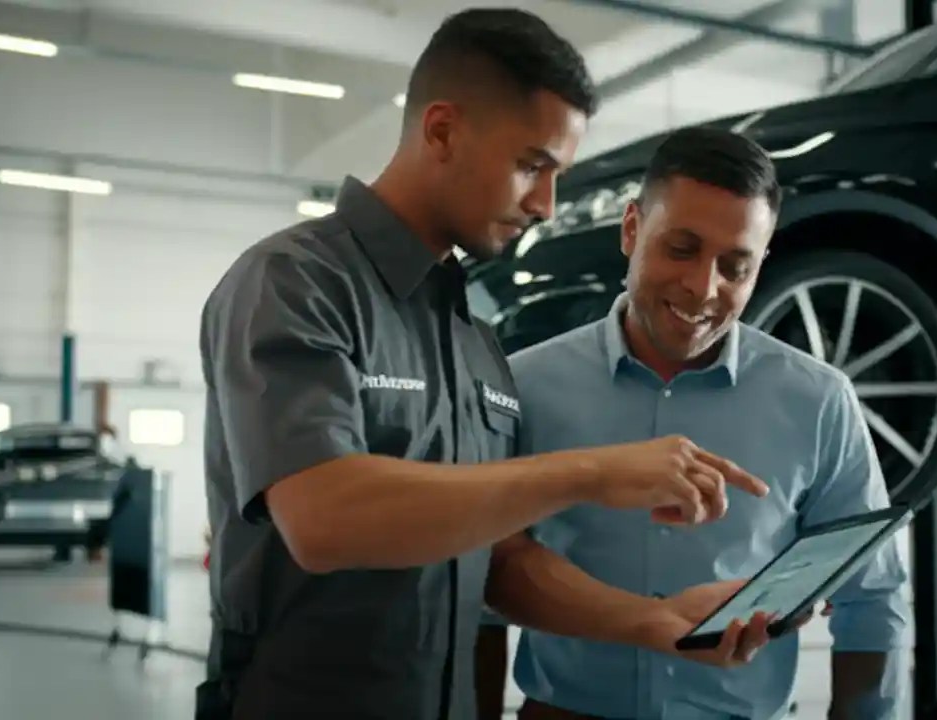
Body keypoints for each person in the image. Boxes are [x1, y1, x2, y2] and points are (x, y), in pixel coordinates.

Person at [196, 9, 775, 720]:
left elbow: (499, 560)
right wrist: (593, 472)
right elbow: (324, 517)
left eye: (556, 174)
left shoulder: (477, 340)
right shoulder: (294, 283)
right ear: (441, 130)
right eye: (532, 165)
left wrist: (654, 622)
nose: (545, 204)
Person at [478, 126, 912, 720]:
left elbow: (872, 598)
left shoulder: (818, 400)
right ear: (631, 230)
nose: (703, 287)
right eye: (681, 249)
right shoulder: (523, 386)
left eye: (735, 266)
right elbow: (478, 587)